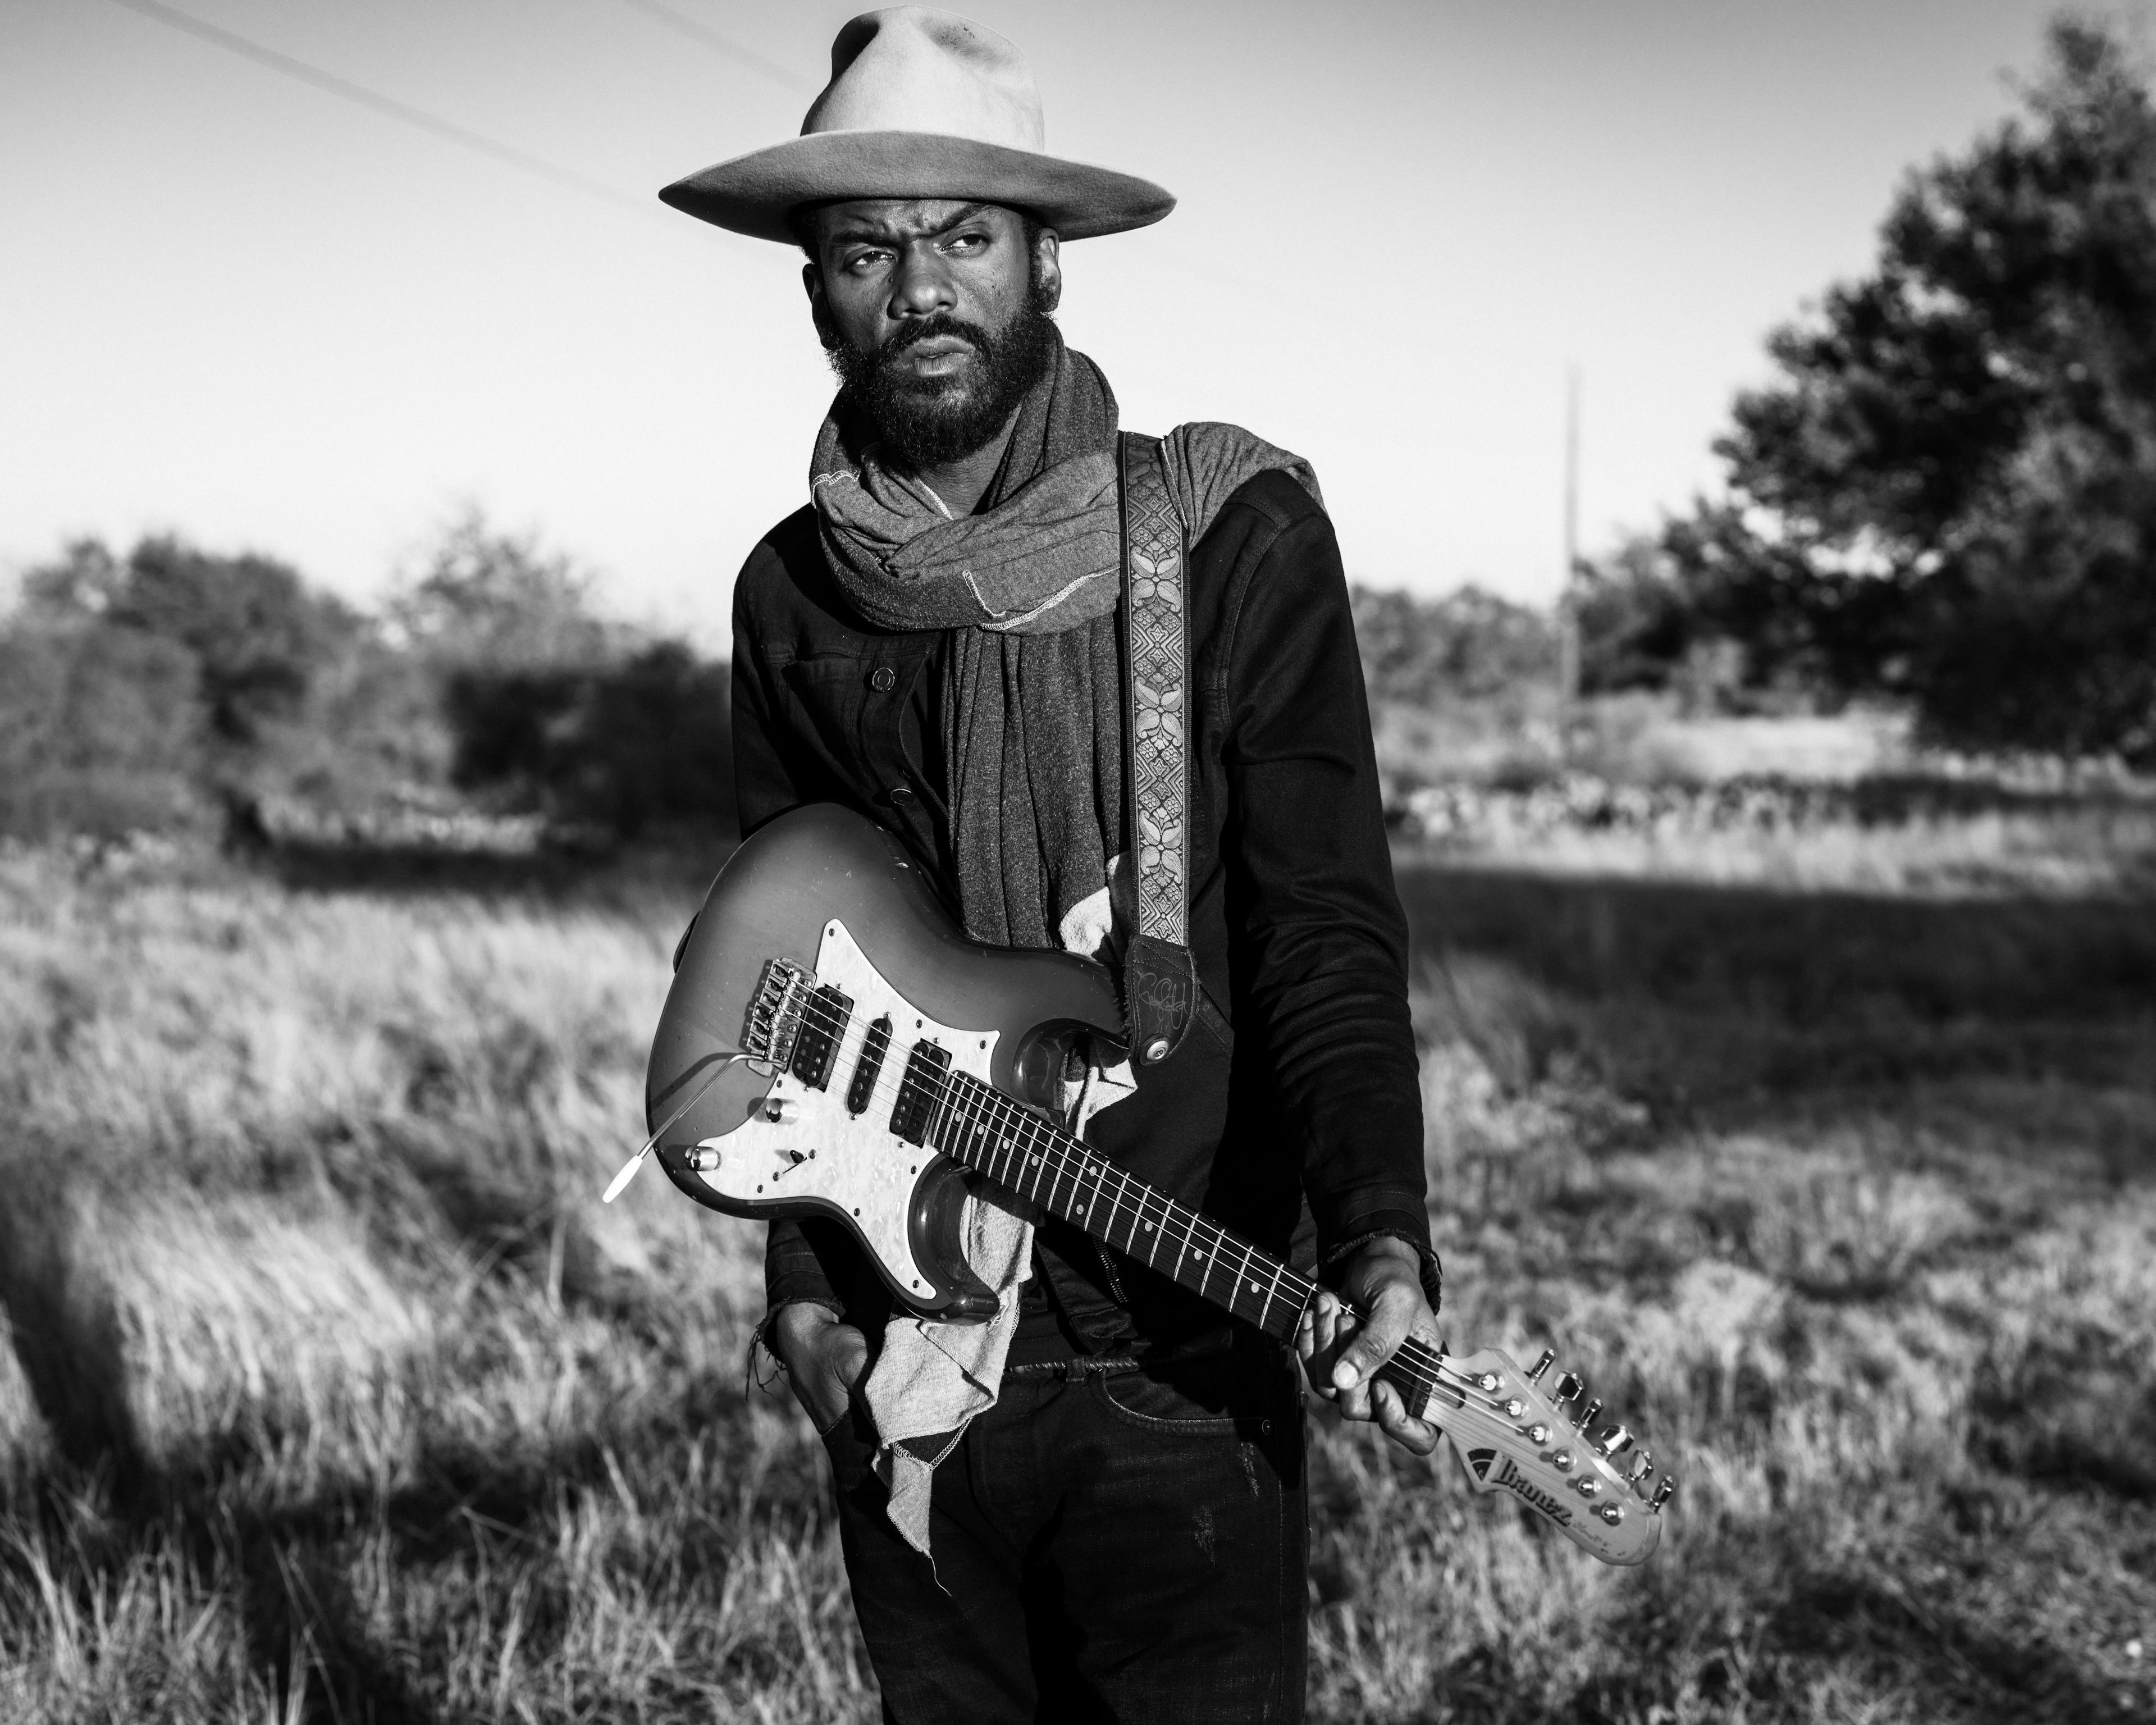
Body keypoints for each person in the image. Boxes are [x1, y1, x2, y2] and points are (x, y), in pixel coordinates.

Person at [661, 10, 1443, 1721]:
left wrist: (1379, 1231)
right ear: (813, 288)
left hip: (1182, 1334)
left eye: (964, 239)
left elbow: (1319, 926)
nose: (920, 286)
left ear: (1049, 267)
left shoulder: (1226, 536)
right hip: (911, 1333)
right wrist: (801, 1283)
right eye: (868, 250)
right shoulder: (791, 592)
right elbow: (783, 973)